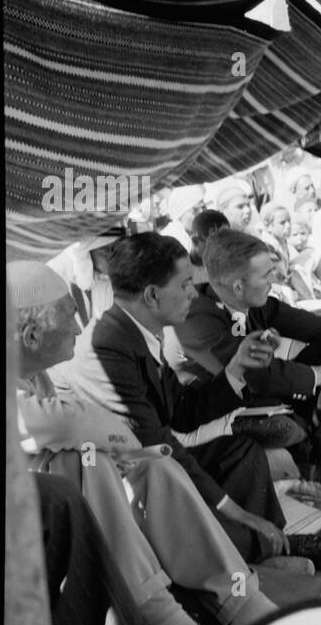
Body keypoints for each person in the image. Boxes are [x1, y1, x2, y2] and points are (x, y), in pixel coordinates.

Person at [10, 260, 283, 625]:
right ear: (30, 336)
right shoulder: (108, 341)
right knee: (88, 463)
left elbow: (108, 429)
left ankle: (241, 601)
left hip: (70, 500)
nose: (80, 326)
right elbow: (77, 429)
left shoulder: (39, 374)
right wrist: (112, 440)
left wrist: (123, 446)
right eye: (68, 314)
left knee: (157, 467)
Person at [54, 232, 292, 566]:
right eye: (184, 285)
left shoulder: (138, 331)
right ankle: (255, 552)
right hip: (125, 480)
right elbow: (157, 443)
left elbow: (181, 411)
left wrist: (236, 368)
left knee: (239, 452)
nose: (195, 293)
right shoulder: (107, 346)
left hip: (151, 459)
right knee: (183, 483)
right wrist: (237, 511)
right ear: (151, 295)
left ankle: (270, 545)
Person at [176, 230, 321, 490]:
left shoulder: (259, 302)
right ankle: (316, 456)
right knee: (287, 417)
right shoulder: (195, 317)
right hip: (219, 411)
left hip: (269, 394)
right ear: (238, 286)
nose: (277, 279)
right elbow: (252, 374)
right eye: (266, 274)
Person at [46, 226, 125, 327]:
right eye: (108, 251)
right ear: (88, 250)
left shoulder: (106, 278)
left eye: (117, 249)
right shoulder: (57, 273)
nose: (115, 257)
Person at [159, 185, 206, 254]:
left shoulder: (196, 234)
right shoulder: (175, 237)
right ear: (180, 214)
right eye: (195, 210)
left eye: (203, 207)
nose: (202, 213)